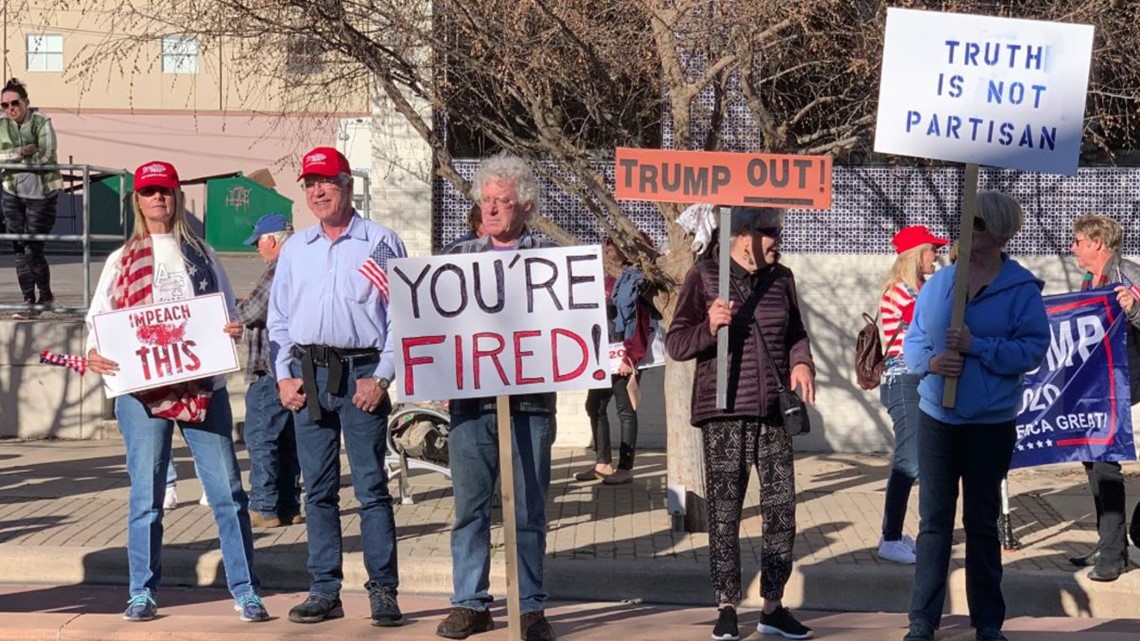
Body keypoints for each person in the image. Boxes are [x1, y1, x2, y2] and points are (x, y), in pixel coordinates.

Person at [84, 161, 266, 623]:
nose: (158, 198)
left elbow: (228, 311)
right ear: (138, 200)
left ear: (177, 196)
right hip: (142, 394)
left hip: (202, 387)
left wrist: (232, 328)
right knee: (146, 497)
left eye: (165, 190)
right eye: (149, 192)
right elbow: (98, 322)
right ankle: (142, 591)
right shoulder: (120, 260)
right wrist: (94, 352)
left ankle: (246, 589)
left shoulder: (201, 252)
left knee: (227, 493)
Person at [901, 192, 1049, 641]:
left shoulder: (1021, 288)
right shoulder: (941, 283)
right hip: (937, 418)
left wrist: (978, 347)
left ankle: (988, 622)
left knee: (982, 524)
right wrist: (931, 363)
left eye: (978, 224)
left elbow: (1033, 351)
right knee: (933, 523)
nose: (969, 230)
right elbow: (913, 344)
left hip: (990, 423)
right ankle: (922, 620)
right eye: (967, 220)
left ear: (1001, 233)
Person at [268, 147, 406, 626]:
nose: (317, 191)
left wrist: (382, 376)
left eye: (326, 182)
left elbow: (401, 321)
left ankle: (383, 591)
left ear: (347, 184)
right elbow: (279, 322)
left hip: (362, 374)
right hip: (309, 376)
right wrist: (283, 376)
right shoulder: (294, 249)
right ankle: (324, 589)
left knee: (371, 489)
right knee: (318, 491)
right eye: (309, 184)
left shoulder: (381, 242)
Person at [665, 206, 816, 641]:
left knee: (781, 509)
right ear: (742, 234)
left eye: (778, 232)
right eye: (770, 232)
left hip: (771, 414)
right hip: (724, 414)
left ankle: (772, 606)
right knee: (725, 512)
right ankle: (727, 605)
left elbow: (796, 334)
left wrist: (801, 362)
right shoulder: (704, 276)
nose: (777, 240)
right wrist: (709, 327)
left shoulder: (782, 278)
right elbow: (676, 343)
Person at [436, 154, 557, 641]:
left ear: (523, 206)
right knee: (469, 510)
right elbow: (437, 328)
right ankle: (471, 603)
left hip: (529, 407)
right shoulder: (457, 257)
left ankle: (529, 608)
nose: (490, 209)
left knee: (527, 511)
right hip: (469, 407)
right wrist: (439, 377)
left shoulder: (549, 262)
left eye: (501, 202)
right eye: (485, 200)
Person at [1064, 213, 1140, 581]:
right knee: (1092, 461)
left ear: (1096, 242)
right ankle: (1108, 542)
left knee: (1104, 459)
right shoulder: (1088, 279)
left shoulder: (1126, 273)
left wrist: (1134, 307)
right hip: (1097, 383)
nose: (1072, 247)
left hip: (1120, 381)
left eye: (1077, 241)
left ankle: (1114, 554)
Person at [875, 226, 949, 564]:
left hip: (918, 381)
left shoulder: (917, 290)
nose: (937, 254)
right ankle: (889, 537)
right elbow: (929, 324)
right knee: (909, 461)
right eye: (932, 249)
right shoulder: (901, 293)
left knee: (918, 459)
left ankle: (898, 533)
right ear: (916, 254)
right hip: (903, 382)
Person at [239, 212, 302, 528]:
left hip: (268, 368)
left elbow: (251, 310)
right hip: (294, 368)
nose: (257, 250)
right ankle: (289, 504)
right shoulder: (301, 266)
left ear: (272, 240)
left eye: (258, 243)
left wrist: (229, 313)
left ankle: (264, 506)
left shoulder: (277, 270)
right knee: (288, 438)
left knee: (261, 436)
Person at [575, 238, 653, 485]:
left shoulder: (635, 280)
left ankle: (626, 467)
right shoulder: (607, 278)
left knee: (624, 409)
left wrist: (632, 356)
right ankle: (603, 462)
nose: (606, 249)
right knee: (594, 405)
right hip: (603, 355)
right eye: (605, 244)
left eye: (612, 245)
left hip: (625, 355)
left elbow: (639, 321)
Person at [0, 78, 62, 318]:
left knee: (32, 249)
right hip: (12, 192)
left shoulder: (41, 121)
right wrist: (22, 152)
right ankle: (29, 301)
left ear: (25, 102)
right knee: (18, 248)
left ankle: (45, 297)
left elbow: (47, 155)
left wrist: (10, 159)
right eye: (4, 105)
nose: (10, 109)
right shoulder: (2, 125)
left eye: (14, 103)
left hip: (42, 194)